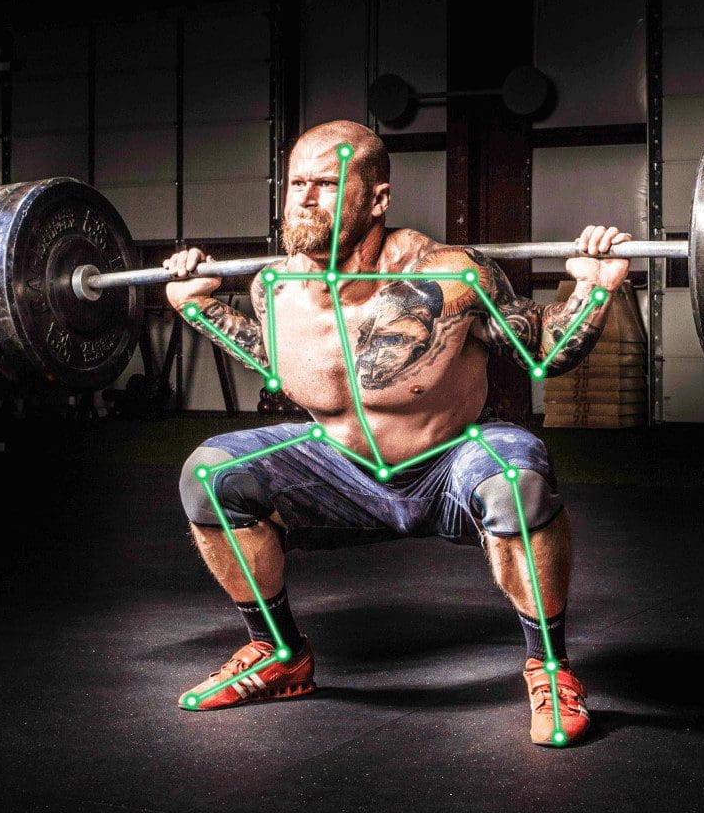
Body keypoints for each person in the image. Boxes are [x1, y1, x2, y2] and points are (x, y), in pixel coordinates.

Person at [164, 120, 631, 747]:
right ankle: (279, 652)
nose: (305, 199)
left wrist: (595, 288)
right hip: (339, 473)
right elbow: (279, 360)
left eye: (327, 184)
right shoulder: (273, 290)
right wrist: (200, 307)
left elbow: (545, 347)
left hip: (449, 462)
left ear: (378, 199)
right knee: (209, 474)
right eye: (297, 183)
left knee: (515, 481)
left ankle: (550, 667)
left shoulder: (452, 276)